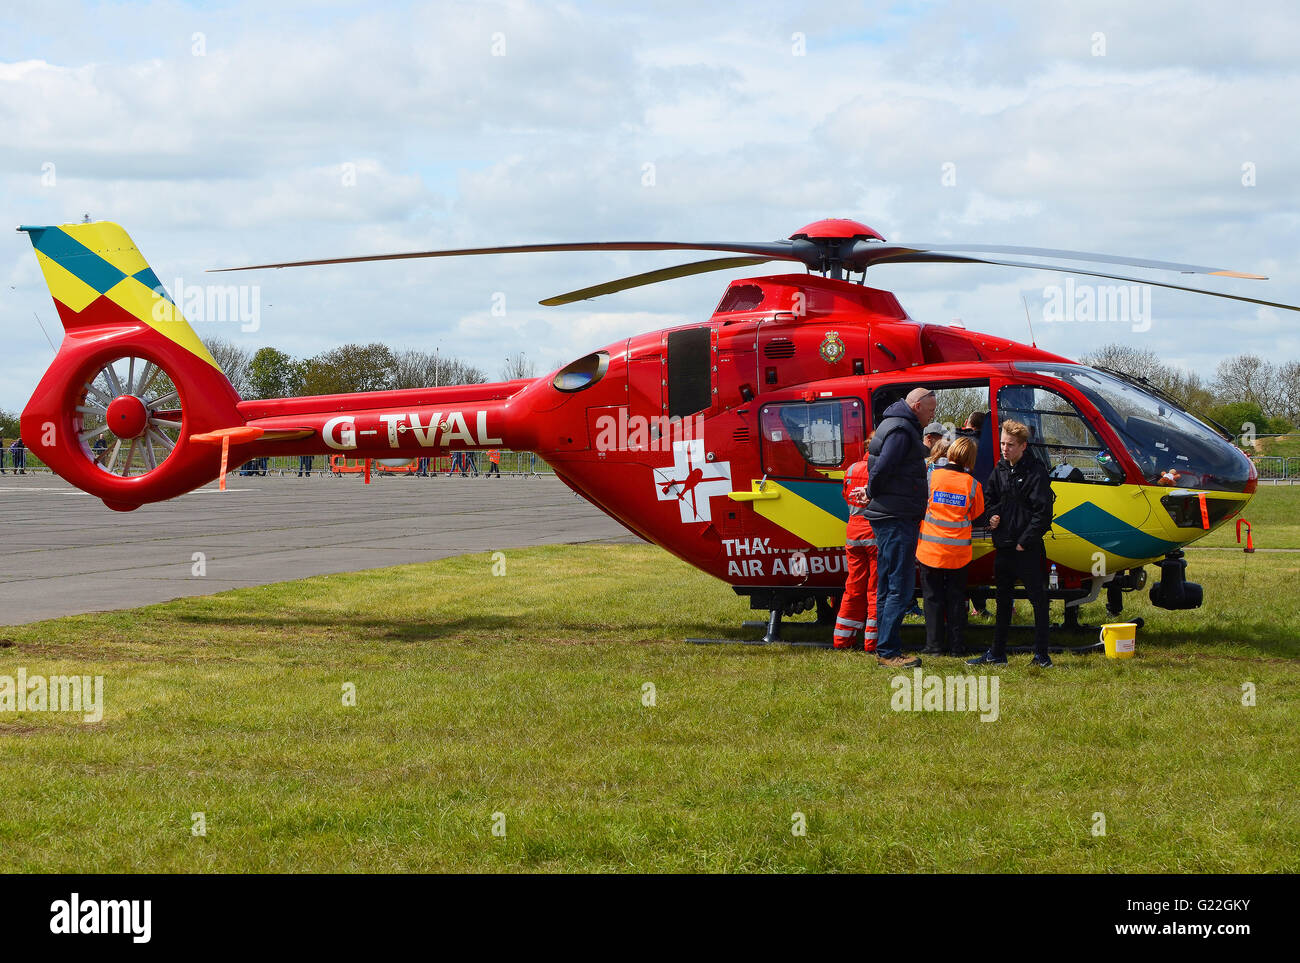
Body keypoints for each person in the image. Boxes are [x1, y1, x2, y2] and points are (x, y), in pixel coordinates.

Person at [970, 419, 1055, 668]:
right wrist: (991, 516)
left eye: (1010, 445)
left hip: (1026, 549)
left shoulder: (1035, 472)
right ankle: (997, 653)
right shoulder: (1000, 469)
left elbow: (1043, 513)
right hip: (1004, 546)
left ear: (1023, 446)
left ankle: (1041, 655)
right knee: (1002, 600)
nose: (1005, 449)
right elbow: (989, 499)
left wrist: (1024, 541)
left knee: (1039, 600)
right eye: (1002, 444)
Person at [863, 386, 935, 669]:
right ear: (916, 405)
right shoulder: (902, 430)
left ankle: (884, 648)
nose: (933, 415)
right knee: (900, 587)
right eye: (930, 409)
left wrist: (874, 494)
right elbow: (882, 469)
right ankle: (889, 651)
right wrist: (873, 492)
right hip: (896, 516)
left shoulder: (893, 423)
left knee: (887, 584)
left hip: (890, 514)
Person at [917, 437, 984, 657]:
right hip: (958, 553)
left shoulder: (931, 476)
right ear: (970, 460)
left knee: (932, 599)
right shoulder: (974, 485)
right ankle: (957, 647)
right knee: (956, 600)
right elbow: (976, 514)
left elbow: (920, 503)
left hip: (930, 550)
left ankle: (934, 646)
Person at [832, 447, 878, 652]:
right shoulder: (879, 470)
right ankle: (873, 642)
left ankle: (842, 639)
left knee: (853, 587)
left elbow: (845, 495)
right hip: (874, 533)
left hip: (853, 533)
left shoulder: (851, 469)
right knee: (875, 590)